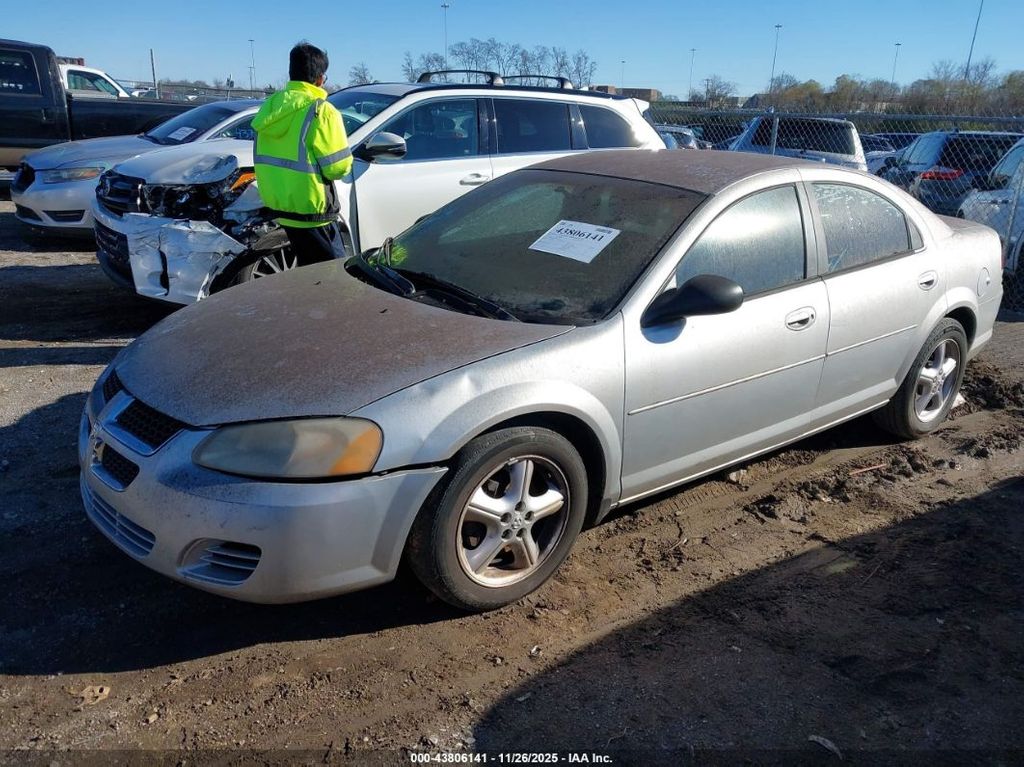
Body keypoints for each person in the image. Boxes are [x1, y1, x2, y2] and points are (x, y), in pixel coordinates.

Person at [252, 42, 352, 264]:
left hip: (280, 208)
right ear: (320, 78)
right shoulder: (321, 111)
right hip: (313, 212)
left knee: (306, 277)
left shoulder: (270, 107)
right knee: (335, 281)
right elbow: (338, 167)